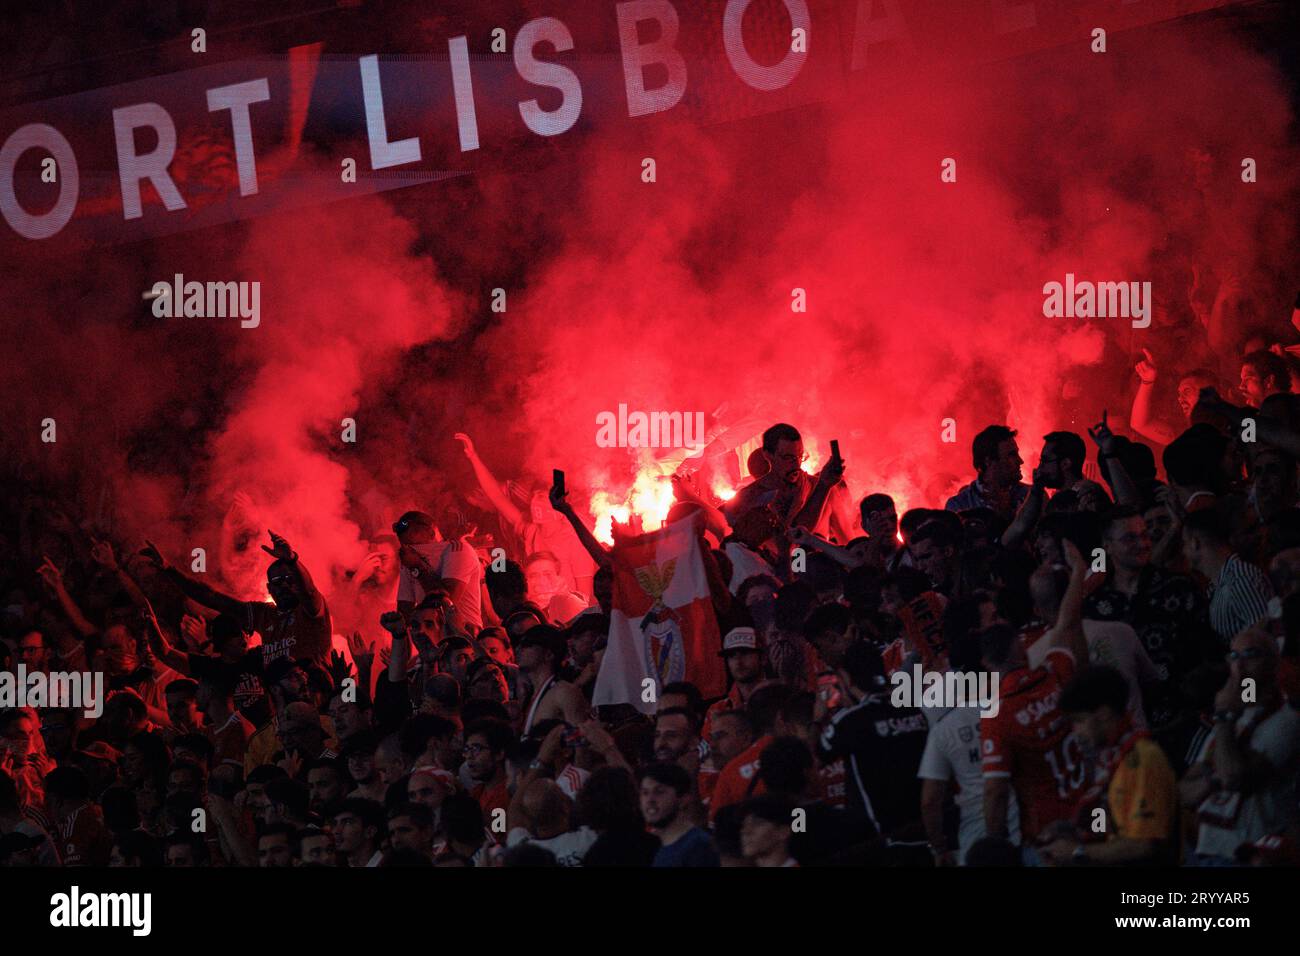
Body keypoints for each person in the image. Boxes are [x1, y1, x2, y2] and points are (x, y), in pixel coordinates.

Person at [981, 541, 1091, 857]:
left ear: (987, 663)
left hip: (1048, 836)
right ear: (1021, 646)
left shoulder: (997, 714)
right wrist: (1079, 572)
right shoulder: (1056, 671)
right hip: (1093, 812)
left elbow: (995, 790)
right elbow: (1068, 624)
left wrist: (996, 849)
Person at [1184, 627, 1300, 864]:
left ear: (1274, 664)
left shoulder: (1287, 721)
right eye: (1234, 656)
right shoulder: (1235, 714)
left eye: (1251, 655)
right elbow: (1183, 791)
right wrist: (1213, 779)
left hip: (1250, 854)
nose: (1240, 665)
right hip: (1206, 849)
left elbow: (1236, 778)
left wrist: (1225, 719)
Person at [1042, 666, 1178, 866]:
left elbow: (1144, 844)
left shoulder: (1141, 759)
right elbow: (1107, 827)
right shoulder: (1108, 759)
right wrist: (1071, 832)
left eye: (1079, 721)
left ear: (1104, 714)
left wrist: (1076, 851)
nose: (1076, 731)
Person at [143, 531, 332, 666]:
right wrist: (169, 569)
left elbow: (308, 591)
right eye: (277, 581)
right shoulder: (263, 613)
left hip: (317, 704)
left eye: (289, 580)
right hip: (282, 711)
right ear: (269, 588)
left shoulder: (312, 609)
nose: (283, 585)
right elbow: (212, 597)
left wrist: (292, 560)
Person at [722, 423, 845, 534]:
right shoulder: (750, 498)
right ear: (768, 455)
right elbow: (791, 540)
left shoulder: (824, 489)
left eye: (800, 456)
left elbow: (849, 544)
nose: (797, 464)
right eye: (788, 457)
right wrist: (822, 487)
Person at [1181, 509, 1274, 643]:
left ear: (1194, 543)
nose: (1182, 552)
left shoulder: (1240, 579)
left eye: (1184, 543)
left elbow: (1264, 638)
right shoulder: (1222, 583)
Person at [640, 762, 719, 867]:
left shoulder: (698, 847)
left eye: (659, 792)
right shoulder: (663, 850)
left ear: (683, 800)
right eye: (645, 793)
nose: (650, 800)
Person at [945, 425, 1031, 520]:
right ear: (988, 461)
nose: (1020, 461)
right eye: (1011, 455)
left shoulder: (1031, 497)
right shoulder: (960, 505)